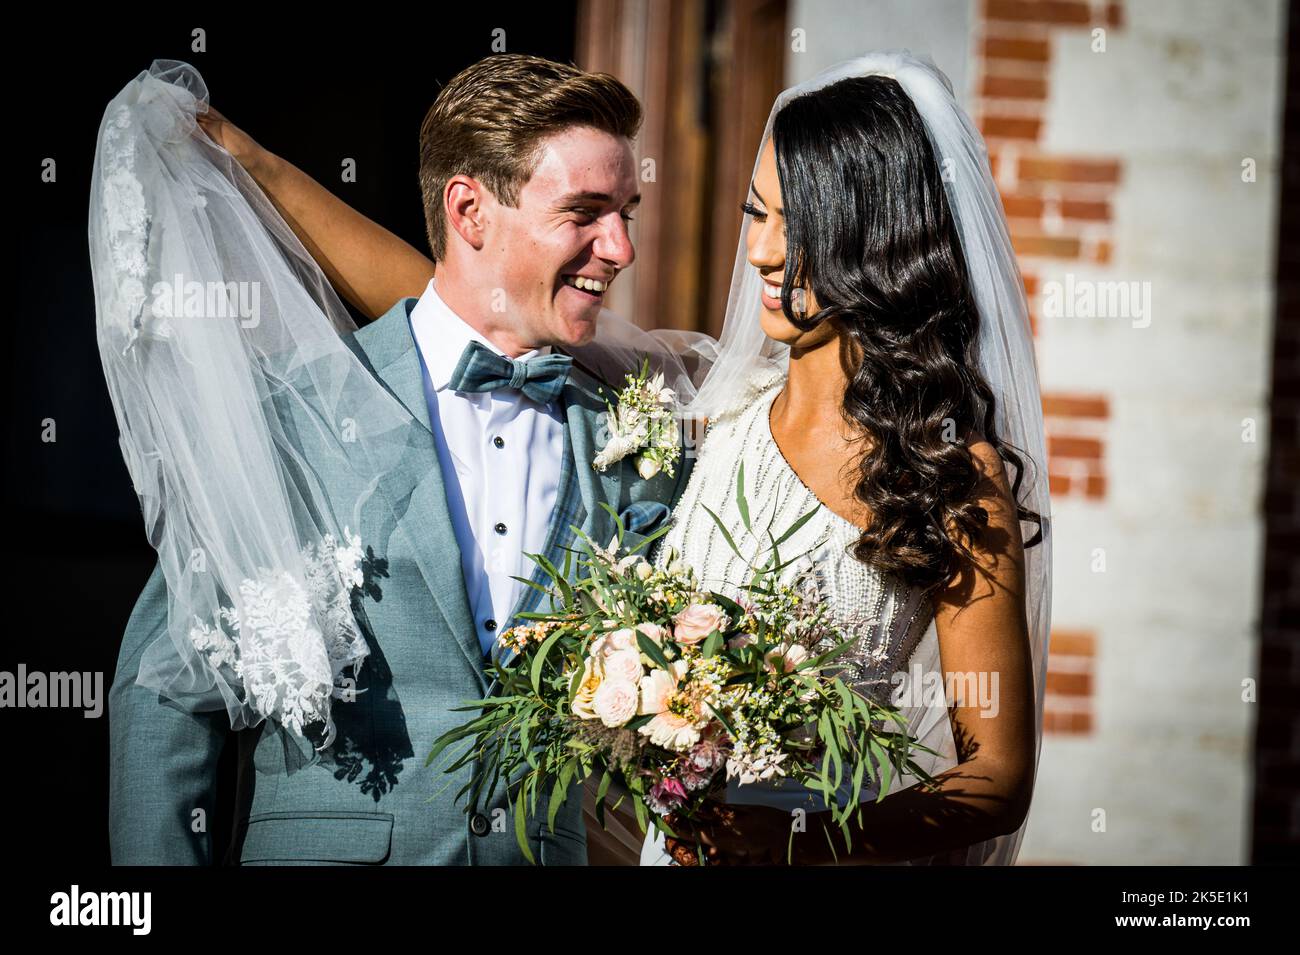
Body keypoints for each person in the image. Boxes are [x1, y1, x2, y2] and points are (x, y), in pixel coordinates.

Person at [180, 51, 1053, 867]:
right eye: (757, 212)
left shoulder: (949, 473)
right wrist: (253, 163)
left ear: (880, 234)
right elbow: (450, 300)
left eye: (804, 223)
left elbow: (997, 778)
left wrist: (786, 842)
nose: (764, 252)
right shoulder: (707, 408)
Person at [94, 55, 692, 865]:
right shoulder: (296, 417)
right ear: (470, 211)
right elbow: (167, 696)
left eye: (626, 211)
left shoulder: (634, 441)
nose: (618, 246)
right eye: (585, 212)